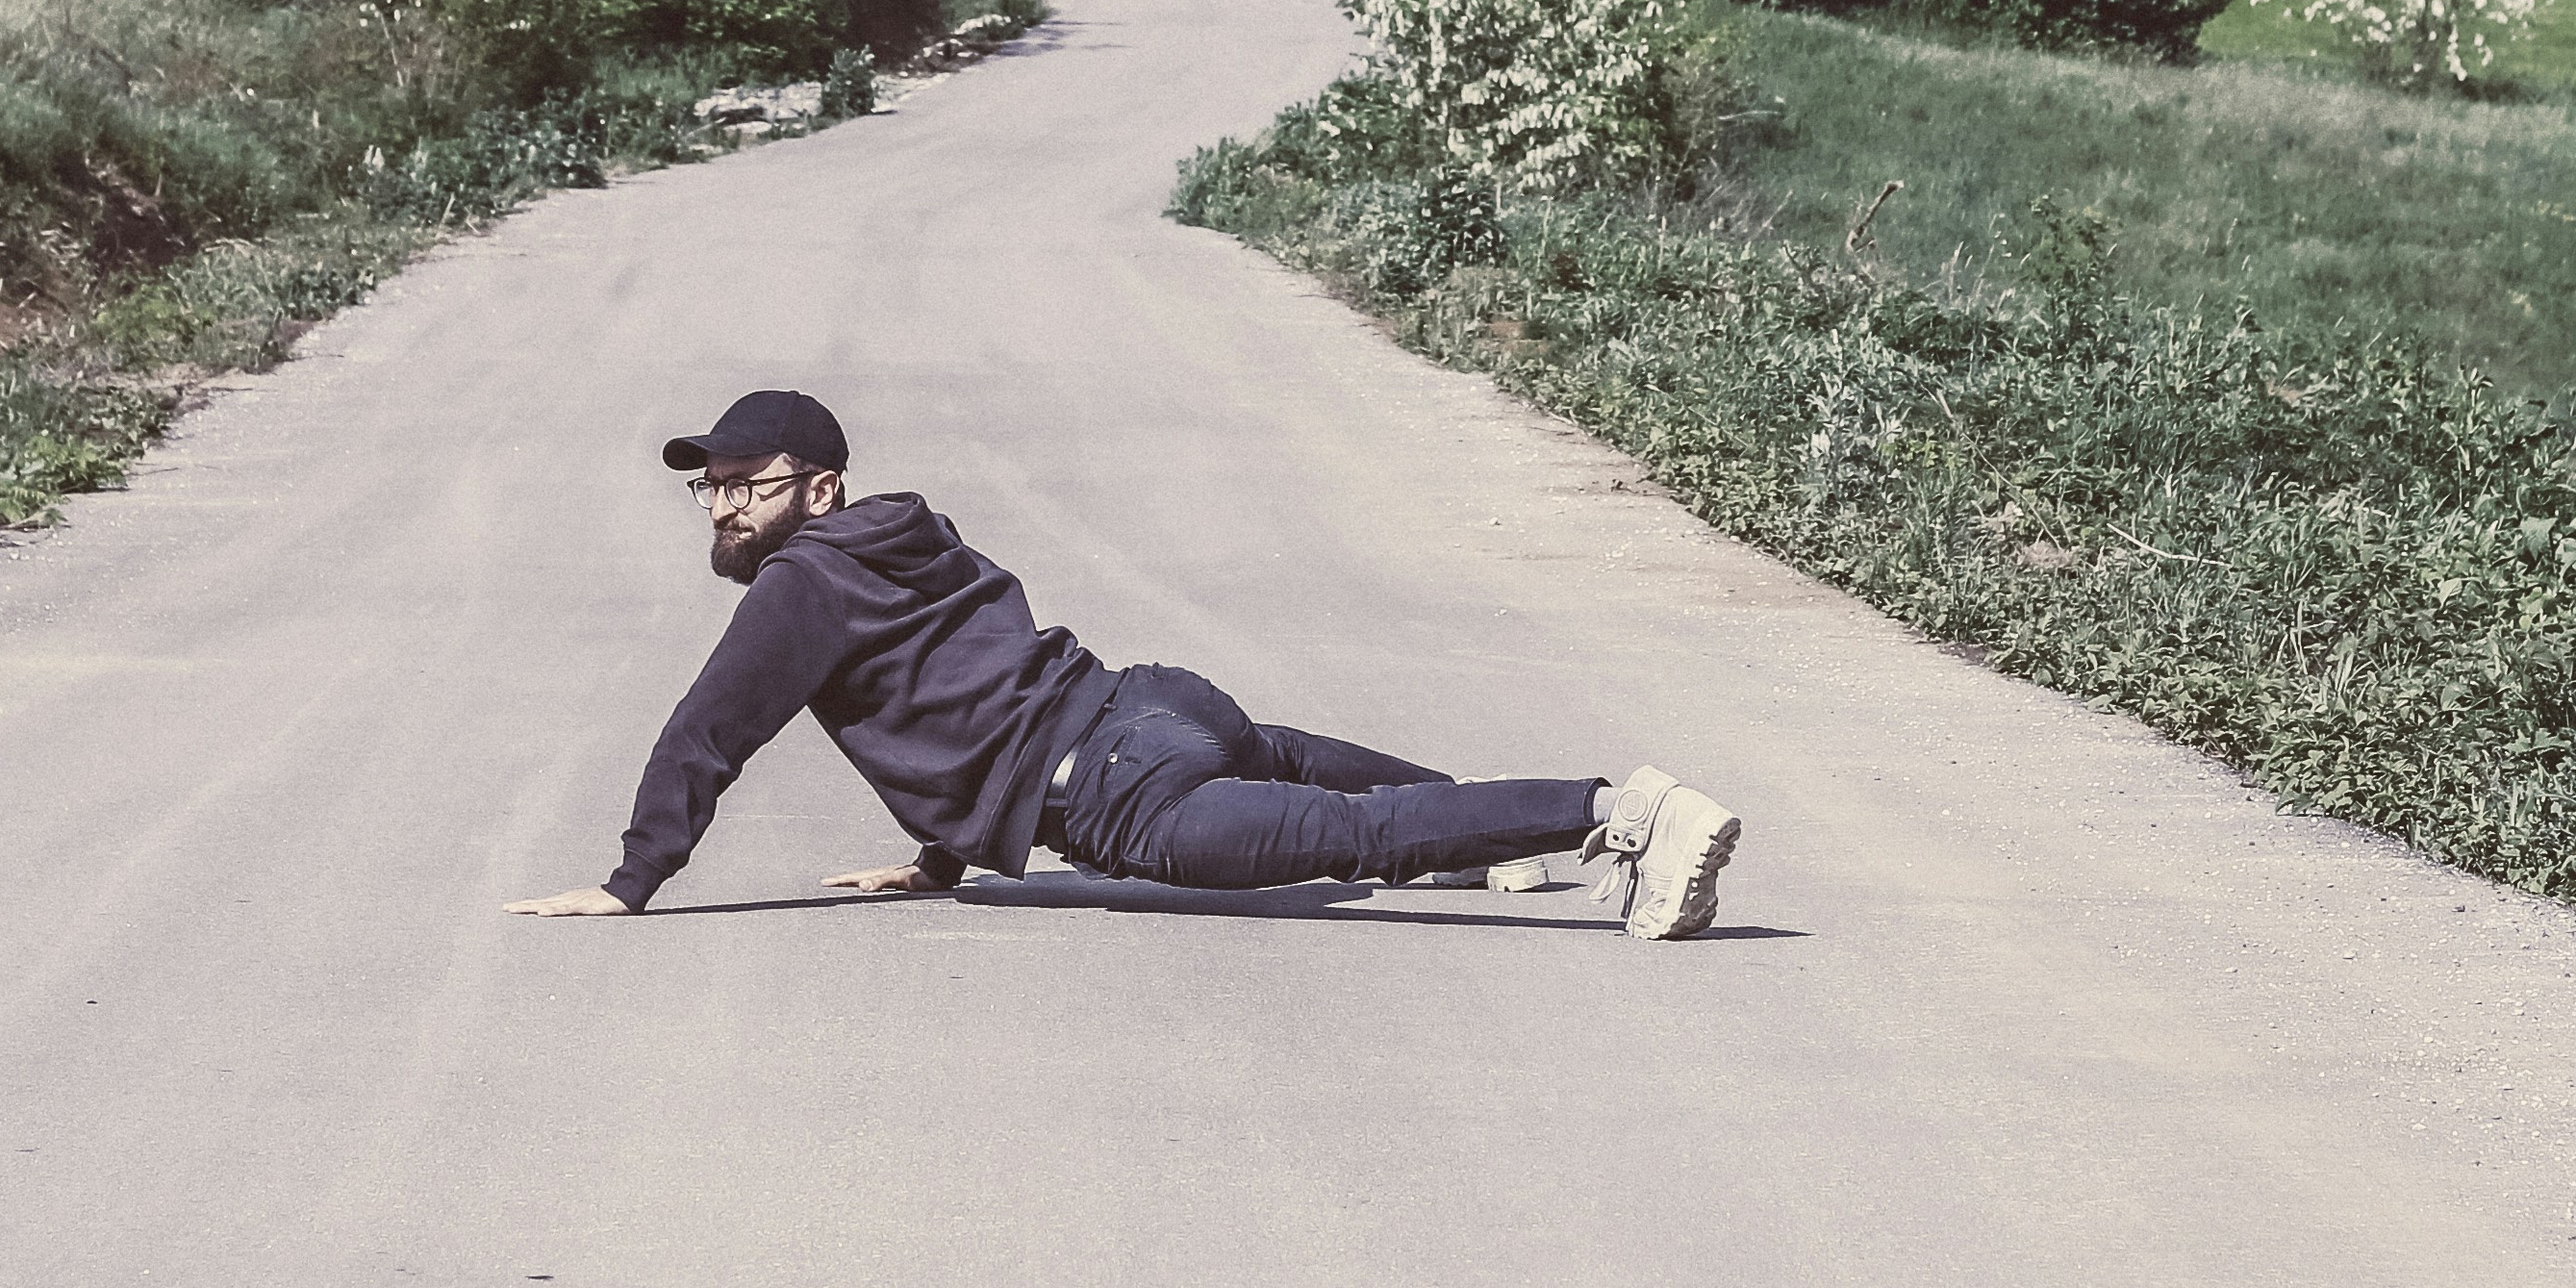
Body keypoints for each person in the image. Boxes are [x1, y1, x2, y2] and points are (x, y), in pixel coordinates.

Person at [506, 387, 1742, 943]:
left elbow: (706, 732)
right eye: (710, 488)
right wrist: (944, 852)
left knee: (1360, 839)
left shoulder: (801, 583)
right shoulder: (900, 533)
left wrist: (628, 884)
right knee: (1306, 767)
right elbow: (959, 683)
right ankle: (1516, 842)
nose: (725, 508)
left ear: (816, 489)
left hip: (1115, 787)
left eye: (749, 486)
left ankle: (1618, 812)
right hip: (1149, 700)